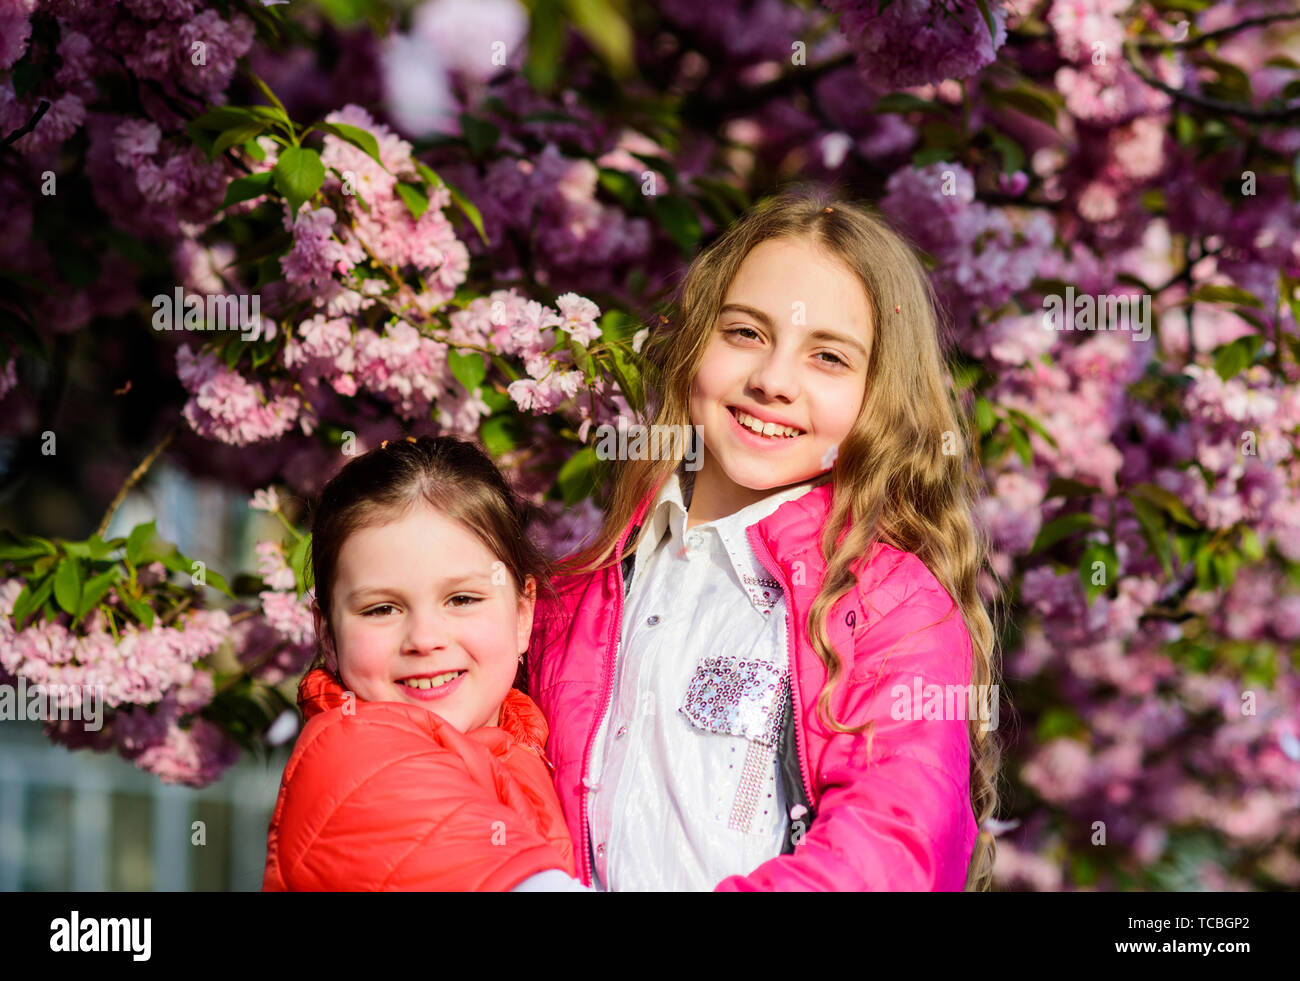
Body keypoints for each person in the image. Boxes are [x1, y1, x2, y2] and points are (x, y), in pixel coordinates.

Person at [528, 186, 1003, 891]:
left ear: (880, 399)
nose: (774, 379)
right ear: (694, 344)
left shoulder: (892, 607)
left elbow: (887, 849)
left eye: (829, 358)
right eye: (745, 332)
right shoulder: (578, 592)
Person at [262, 435, 586, 891]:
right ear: (327, 635)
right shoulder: (355, 760)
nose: (425, 639)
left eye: (461, 598)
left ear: (522, 613)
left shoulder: (534, 748)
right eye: (381, 609)